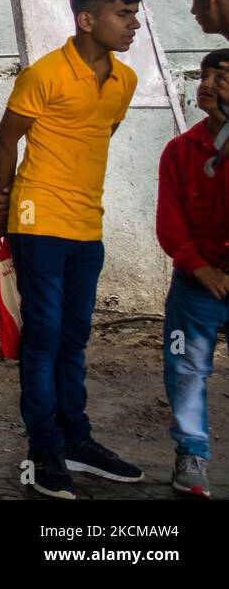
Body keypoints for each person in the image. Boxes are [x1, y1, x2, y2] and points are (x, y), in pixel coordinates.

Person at [0, 0, 145, 500]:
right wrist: (8, 200)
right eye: (123, 14)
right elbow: (5, 140)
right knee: (44, 336)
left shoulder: (125, 81)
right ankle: (44, 448)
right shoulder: (44, 74)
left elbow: (102, 134)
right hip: (38, 220)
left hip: (87, 225)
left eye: (133, 14)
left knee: (75, 338)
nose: (134, 25)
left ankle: (77, 440)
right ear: (86, 18)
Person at [155, 49, 229, 499]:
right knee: (186, 369)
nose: (209, 83)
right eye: (204, 75)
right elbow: (170, 224)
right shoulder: (179, 151)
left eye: (222, 76)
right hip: (195, 282)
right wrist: (201, 270)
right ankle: (191, 453)